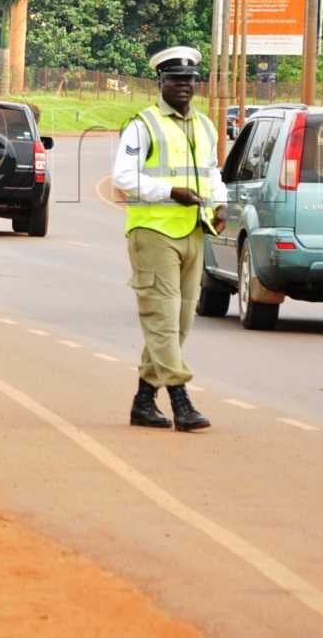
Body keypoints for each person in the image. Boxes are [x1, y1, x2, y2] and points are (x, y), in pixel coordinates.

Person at [112, 46, 227, 432]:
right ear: (160, 82)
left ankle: (144, 402)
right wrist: (169, 191)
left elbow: (212, 172)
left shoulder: (205, 126)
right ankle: (181, 401)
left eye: (190, 79)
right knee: (161, 320)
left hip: (194, 230)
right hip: (153, 232)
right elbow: (123, 177)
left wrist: (221, 204)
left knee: (178, 324)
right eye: (175, 79)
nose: (183, 86)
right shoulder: (143, 125)